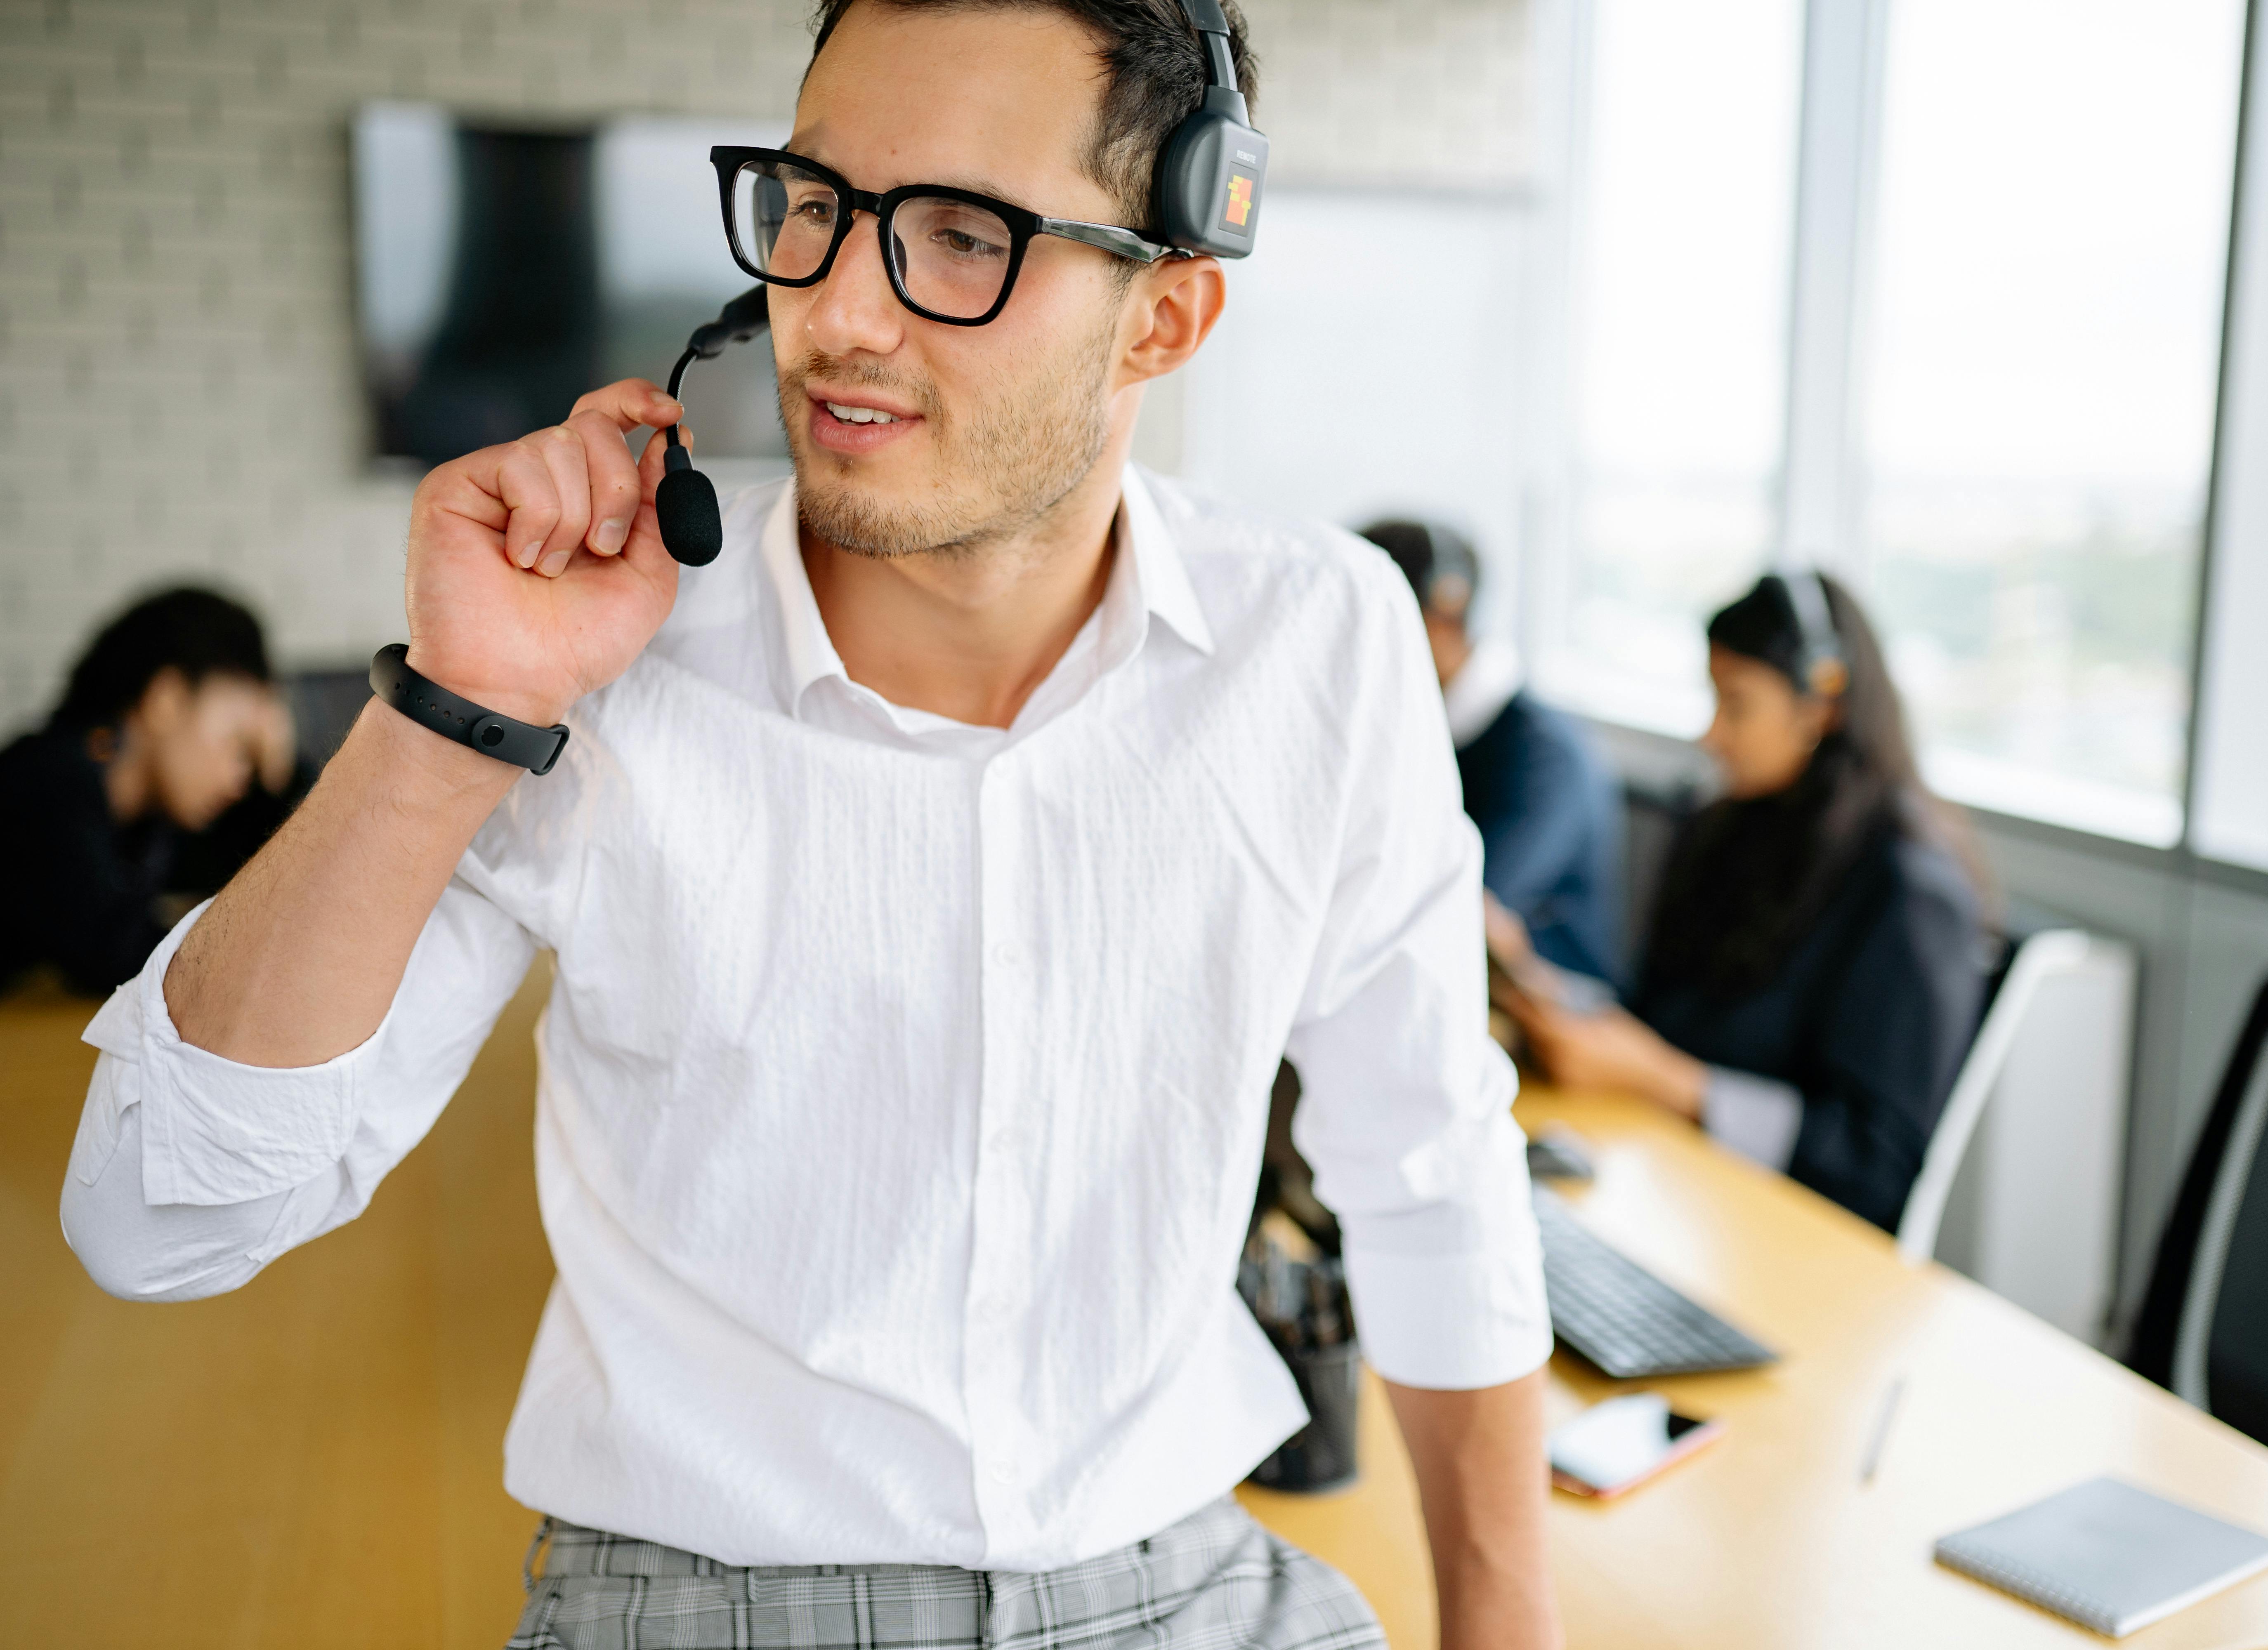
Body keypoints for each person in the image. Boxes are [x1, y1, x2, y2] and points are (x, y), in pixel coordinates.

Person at [59, 5, 1558, 1648]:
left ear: (1166, 318)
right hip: (704, 1599)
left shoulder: (1322, 640)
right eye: (815, 204)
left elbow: (1433, 1182)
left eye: (959, 237)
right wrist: (451, 713)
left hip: (1185, 1570)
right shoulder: (610, 658)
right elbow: (156, 1216)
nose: (833, 311)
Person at [1499, 571, 1990, 1233]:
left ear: (1822, 704)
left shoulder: (1908, 889)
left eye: (1737, 704)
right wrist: (1542, 988)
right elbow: (1662, 1019)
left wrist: (1670, 1082)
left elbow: (1874, 1161)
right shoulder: (1720, 828)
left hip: (1787, 1231)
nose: (1713, 735)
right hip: (1672, 1191)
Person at [1361, 518, 1623, 985]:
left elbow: (1457, 908)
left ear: (1441, 623)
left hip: (1551, 1013)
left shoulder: (1543, 758)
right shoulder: (1409, 720)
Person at [0, 587, 295, 995]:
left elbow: (246, 881)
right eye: (240, 747)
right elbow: (120, 954)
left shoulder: (146, 820)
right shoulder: (47, 784)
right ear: (167, 700)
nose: (239, 781)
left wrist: (281, 779)